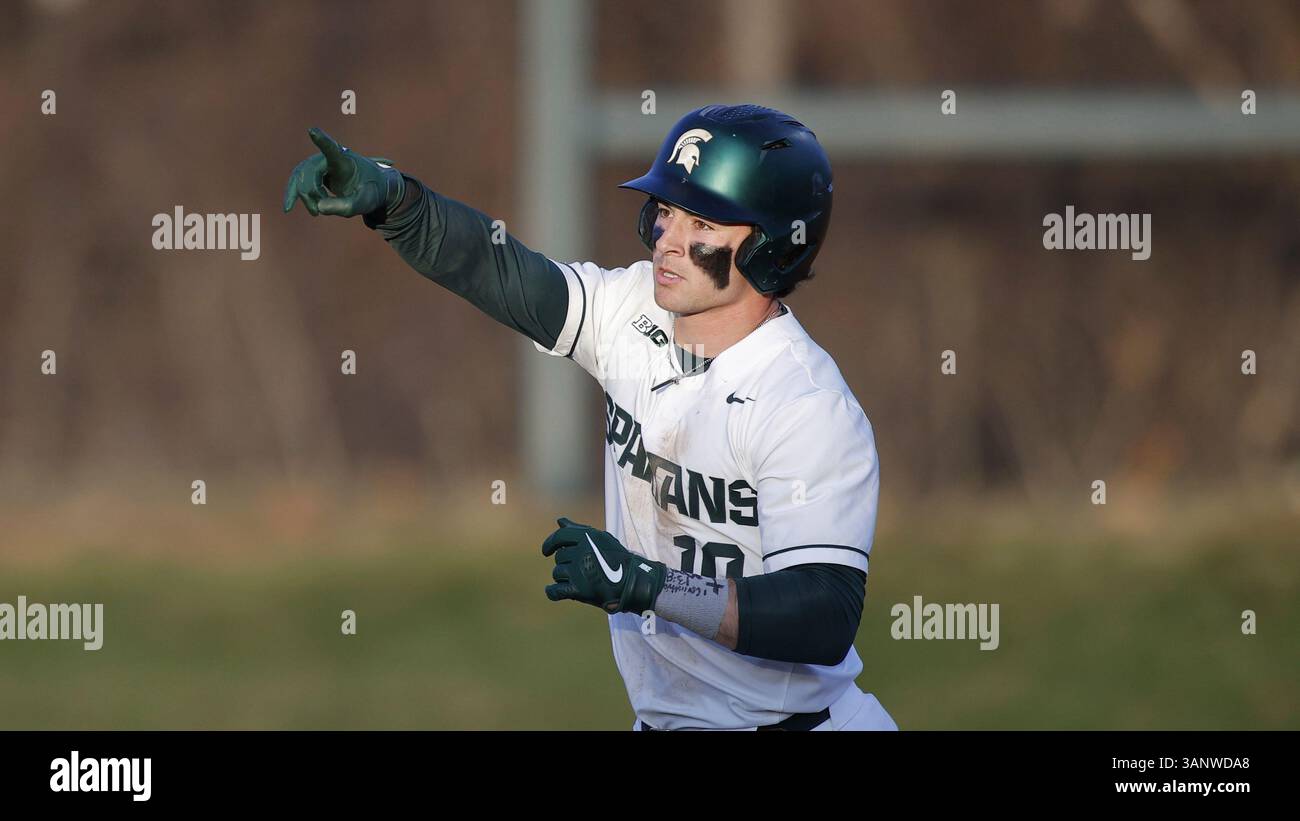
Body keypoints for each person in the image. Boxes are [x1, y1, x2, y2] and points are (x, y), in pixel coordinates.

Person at [283, 104, 897, 731]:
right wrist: (397, 201)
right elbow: (501, 273)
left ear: (770, 246)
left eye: (702, 222)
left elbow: (823, 615)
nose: (668, 240)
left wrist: (648, 585)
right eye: (666, 211)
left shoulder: (803, 403)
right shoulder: (633, 309)